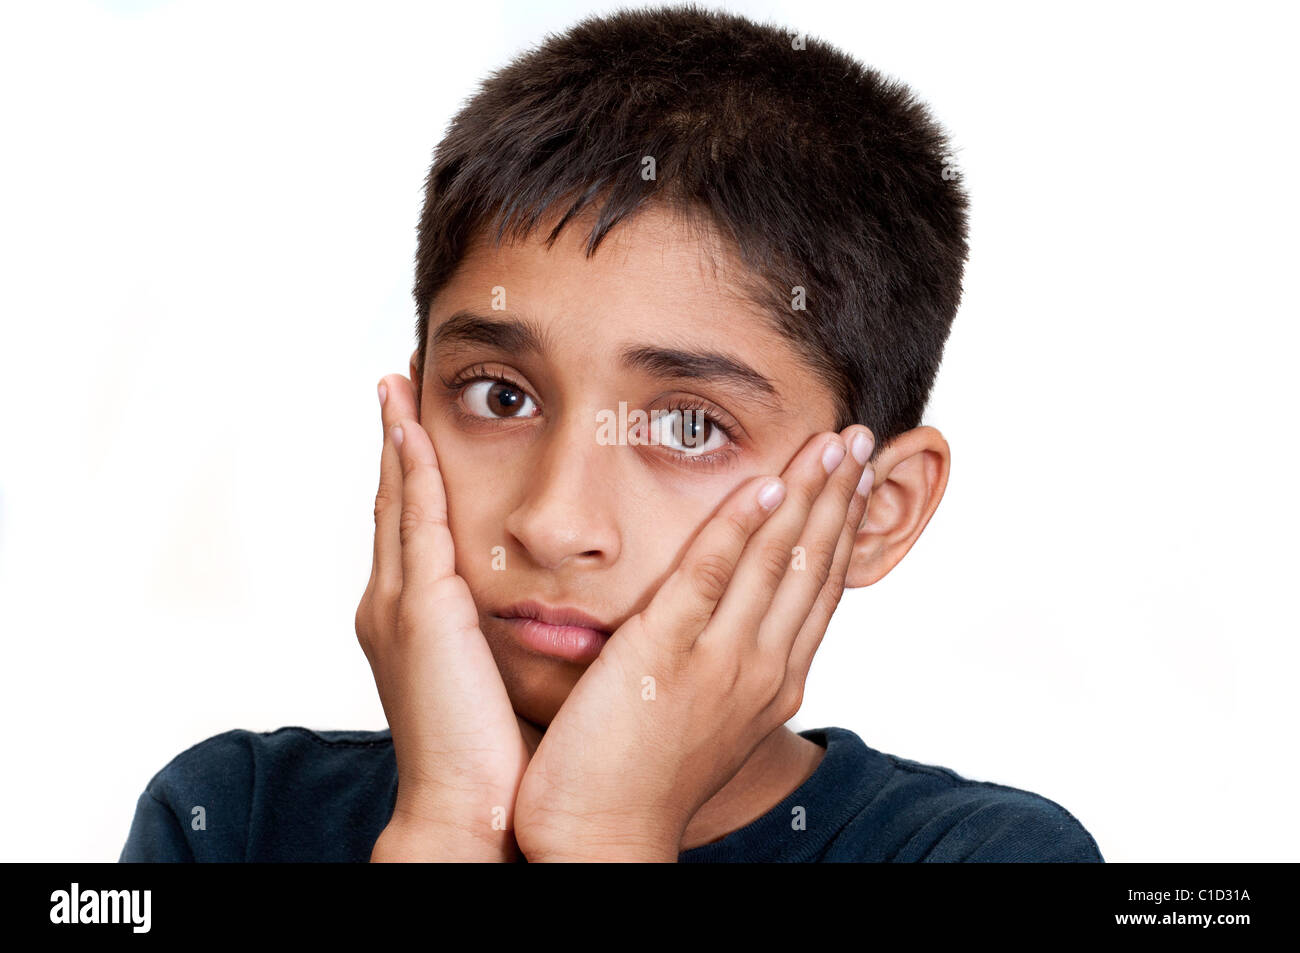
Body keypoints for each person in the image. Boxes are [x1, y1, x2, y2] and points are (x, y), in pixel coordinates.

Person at [119, 4, 1102, 863]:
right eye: (500, 397)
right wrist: (451, 826)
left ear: (875, 512)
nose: (551, 521)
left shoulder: (983, 853)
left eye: (686, 423)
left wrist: (601, 836)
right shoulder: (233, 819)